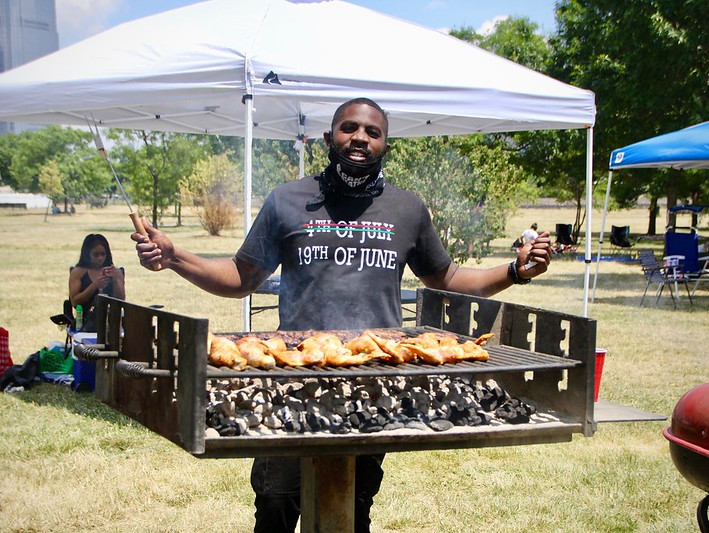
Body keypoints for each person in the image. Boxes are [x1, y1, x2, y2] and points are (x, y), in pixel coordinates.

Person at [131, 97, 552, 532]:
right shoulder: (288, 200)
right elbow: (241, 276)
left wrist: (515, 271)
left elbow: (448, 278)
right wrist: (175, 256)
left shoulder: (406, 209)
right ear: (328, 137)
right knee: (276, 501)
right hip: (294, 376)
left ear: (386, 145)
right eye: (349, 127)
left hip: (373, 381)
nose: (360, 138)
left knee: (351, 505)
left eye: (373, 132)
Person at [69, 234, 125, 332]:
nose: (100, 258)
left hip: (111, 323)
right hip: (84, 322)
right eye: (95, 255)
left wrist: (116, 280)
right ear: (87, 254)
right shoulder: (79, 272)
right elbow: (75, 302)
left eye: (103, 254)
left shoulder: (115, 272)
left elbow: (120, 301)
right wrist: (94, 285)